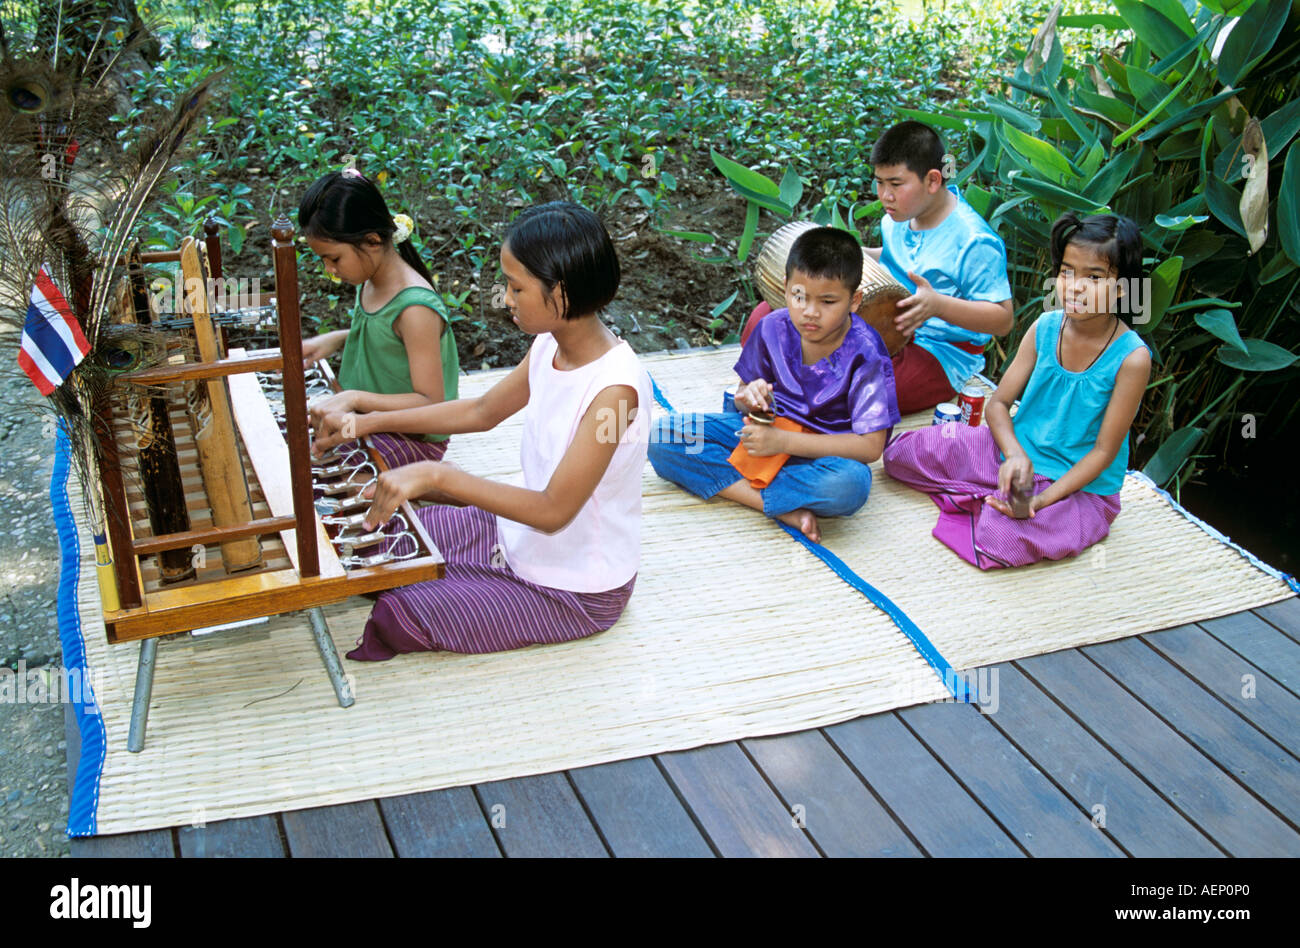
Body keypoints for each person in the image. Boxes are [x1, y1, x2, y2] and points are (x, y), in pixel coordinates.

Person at [311, 201, 651, 659]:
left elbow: (554, 511)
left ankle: (471, 583)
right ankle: (471, 571)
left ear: (563, 292)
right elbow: (483, 411)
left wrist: (437, 476)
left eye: (516, 287)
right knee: (371, 538)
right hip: (514, 533)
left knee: (397, 615)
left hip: (573, 587)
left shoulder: (616, 392)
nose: (506, 299)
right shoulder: (549, 343)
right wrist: (366, 422)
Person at [882, 212, 1151, 569]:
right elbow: (999, 405)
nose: (1075, 286)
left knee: (999, 538)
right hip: (1011, 456)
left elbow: (1102, 453)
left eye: (1094, 276)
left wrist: (1039, 502)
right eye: (1067, 272)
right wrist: (1016, 457)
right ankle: (994, 493)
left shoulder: (1131, 358)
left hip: (1075, 488)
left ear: (1121, 289)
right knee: (902, 454)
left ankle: (993, 500)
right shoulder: (1045, 326)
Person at [649, 226, 899, 544]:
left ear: (854, 300)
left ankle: (747, 488)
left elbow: (870, 447)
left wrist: (782, 443)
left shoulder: (867, 351)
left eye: (827, 301)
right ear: (785, 287)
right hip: (761, 436)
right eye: (799, 296)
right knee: (663, 436)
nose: (809, 311)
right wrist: (750, 397)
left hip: (821, 454)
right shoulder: (772, 327)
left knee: (849, 487)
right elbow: (741, 397)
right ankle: (779, 506)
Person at [298, 168, 460, 468]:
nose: (329, 270)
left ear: (372, 240)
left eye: (333, 258)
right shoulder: (370, 276)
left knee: (320, 476)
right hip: (369, 423)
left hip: (410, 439)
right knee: (299, 443)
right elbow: (389, 341)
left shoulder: (414, 307)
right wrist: (335, 340)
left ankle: (438, 480)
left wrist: (356, 399)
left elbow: (431, 403)